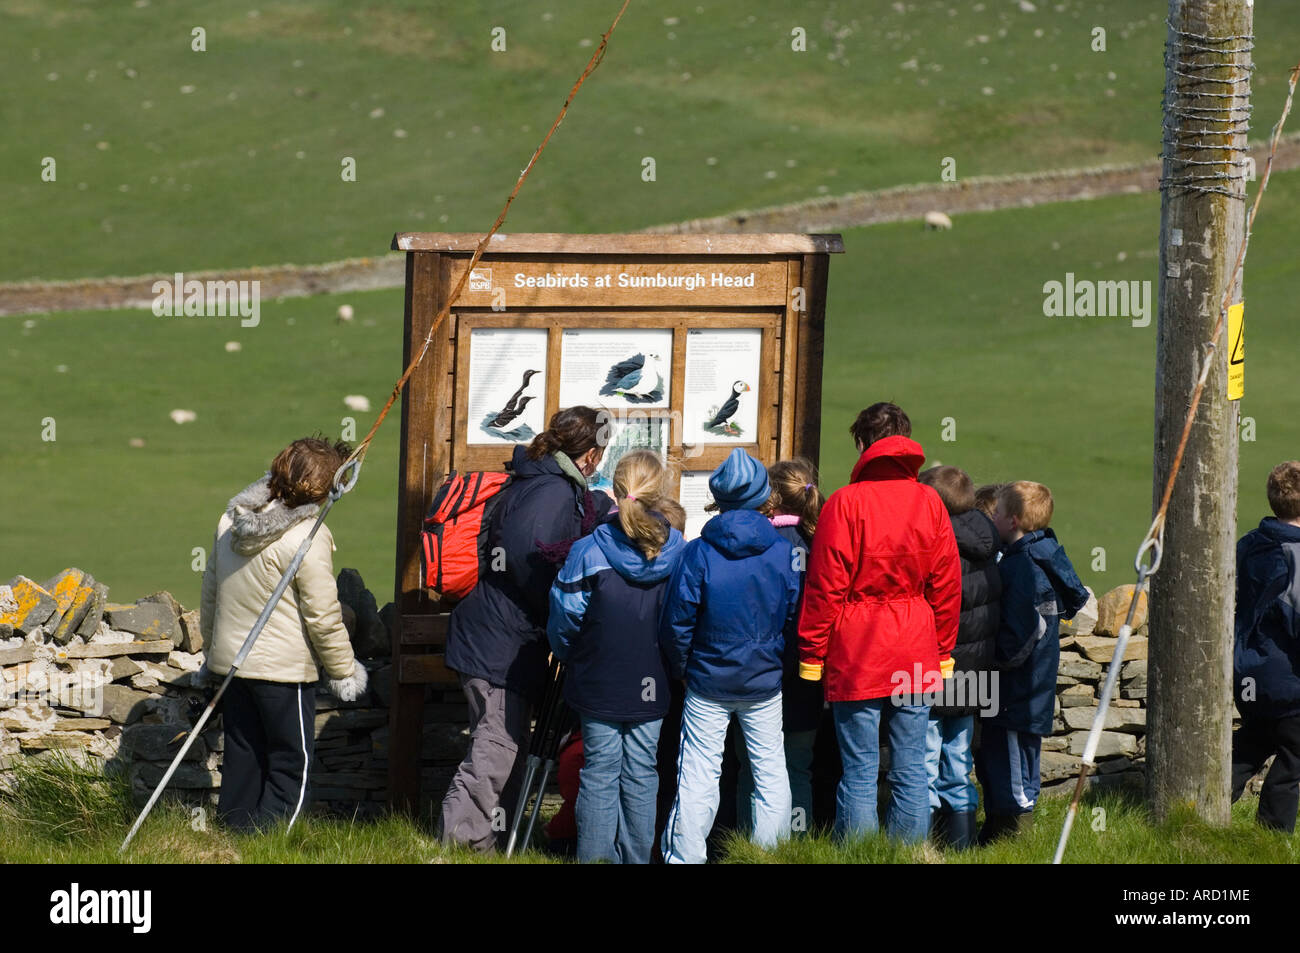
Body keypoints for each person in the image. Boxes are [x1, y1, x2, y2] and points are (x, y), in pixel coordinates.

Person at [440, 406, 612, 850]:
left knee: (507, 745)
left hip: (500, 636)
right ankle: (460, 847)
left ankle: (490, 845)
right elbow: (526, 558)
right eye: (602, 451)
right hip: (499, 642)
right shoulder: (552, 492)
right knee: (495, 749)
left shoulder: (543, 481)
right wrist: (561, 612)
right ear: (590, 455)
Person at [798, 402, 961, 844]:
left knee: (859, 771)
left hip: (858, 651)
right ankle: (908, 856)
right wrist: (943, 651)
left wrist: (812, 655)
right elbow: (947, 585)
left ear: (863, 443)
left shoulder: (845, 504)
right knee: (911, 770)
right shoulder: (929, 501)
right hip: (915, 644)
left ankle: (860, 857)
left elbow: (824, 587)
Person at [200, 436, 367, 833]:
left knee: (244, 754)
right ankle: (272, 844)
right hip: (283, 673)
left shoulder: (230, 522)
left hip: (232, 666)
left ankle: (235, 839)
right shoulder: (307, 536)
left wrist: (211, 653)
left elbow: (210, 594)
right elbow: (323, 615)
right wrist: (343, 672)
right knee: (293, 761)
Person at [660, 449, 800, 864]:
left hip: (707, 679)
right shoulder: (782, 551)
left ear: (717, 498)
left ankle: (685, 858)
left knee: (699, 775)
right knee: (770, 771)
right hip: (763, 679)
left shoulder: (699, 552)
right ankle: (769, 856)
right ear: (763, 498)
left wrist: (683, 667)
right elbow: (793, 615)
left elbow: (677, 621)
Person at [548, 450, 686, 863]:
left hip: (598, 678)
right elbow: (685, 617)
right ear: (659, 493)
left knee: (599, 775)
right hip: (654, 679)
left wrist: (573, 655)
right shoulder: (679, 549)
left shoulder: (587, 550)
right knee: (643, 774)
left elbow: (564, 619)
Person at [978, 480, 1088, 844]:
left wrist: (997, 662)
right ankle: (1000, 826)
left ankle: (1016, 832)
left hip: (1018, 686)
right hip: (1031, 682)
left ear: (1012, 521)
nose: (991, 519)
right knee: (1018, 754)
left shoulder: (1024, 566)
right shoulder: (1042, 554)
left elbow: (1026, 630)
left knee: (1013, 758)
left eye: (996, 514)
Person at [735, 458, 825, 836]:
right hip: (808, 673)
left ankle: (751, 845)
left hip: (761, 673)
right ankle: (797, 843)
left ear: (770, 498)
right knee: (797, 767)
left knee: (752, 769)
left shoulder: (759, 545)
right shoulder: (821, 544)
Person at [917, 465, 1001, 850]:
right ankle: (962, 844)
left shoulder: (930, 544)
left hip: (930, 667)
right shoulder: (989, 544)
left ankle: (924, 844)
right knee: (959, 762)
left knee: (923, 761)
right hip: (976, 673)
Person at [1230, 461, 1300, 832]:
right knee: (1293, 760)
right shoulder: (1297, 556)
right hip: (1289, 681)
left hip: (1249, 674)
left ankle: (1196, 806)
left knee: (1251, 746)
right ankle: (1270, 836)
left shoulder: (1247, 545)